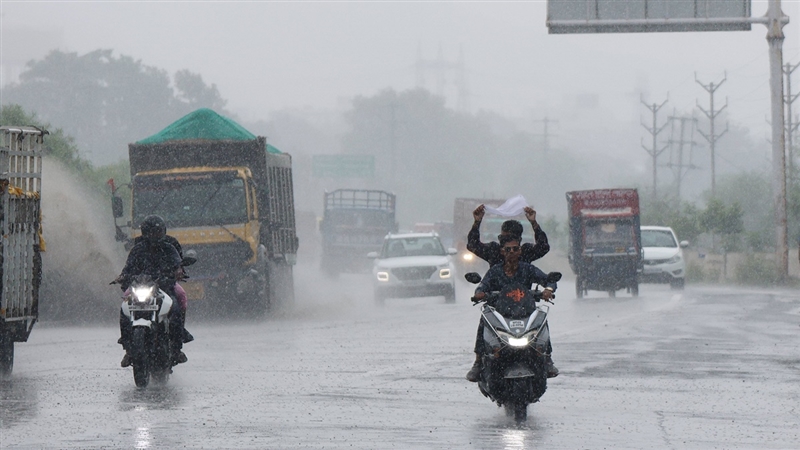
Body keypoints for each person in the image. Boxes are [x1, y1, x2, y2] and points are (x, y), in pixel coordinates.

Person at [466, 205, 558, 381]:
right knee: (484, 319)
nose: (511, 252)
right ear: (501, 248)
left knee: (541, 320)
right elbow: (473, 246)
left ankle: (546, 357)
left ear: (520, 245)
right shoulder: (494, 259)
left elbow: (544, 248)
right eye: (506, 247)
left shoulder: (527, 264)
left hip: (524, 306)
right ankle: (478, 361)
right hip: (498, 307)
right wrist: (476, 222)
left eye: (515, 247)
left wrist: (534, 223)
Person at [117, 215, 188, 367]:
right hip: (140, 287)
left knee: (179, 299)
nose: (154, 235)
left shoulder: (169, 248)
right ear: (144, 233)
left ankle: (177, 346)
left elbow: (178, 265)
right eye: (151, 232)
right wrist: (123, 276)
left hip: (165, 286)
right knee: (124, 306)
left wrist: (178, 271)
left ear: (163, 232)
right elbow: (128, 267)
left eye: (157, 232)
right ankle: (128, 348)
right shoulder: (137, 249)